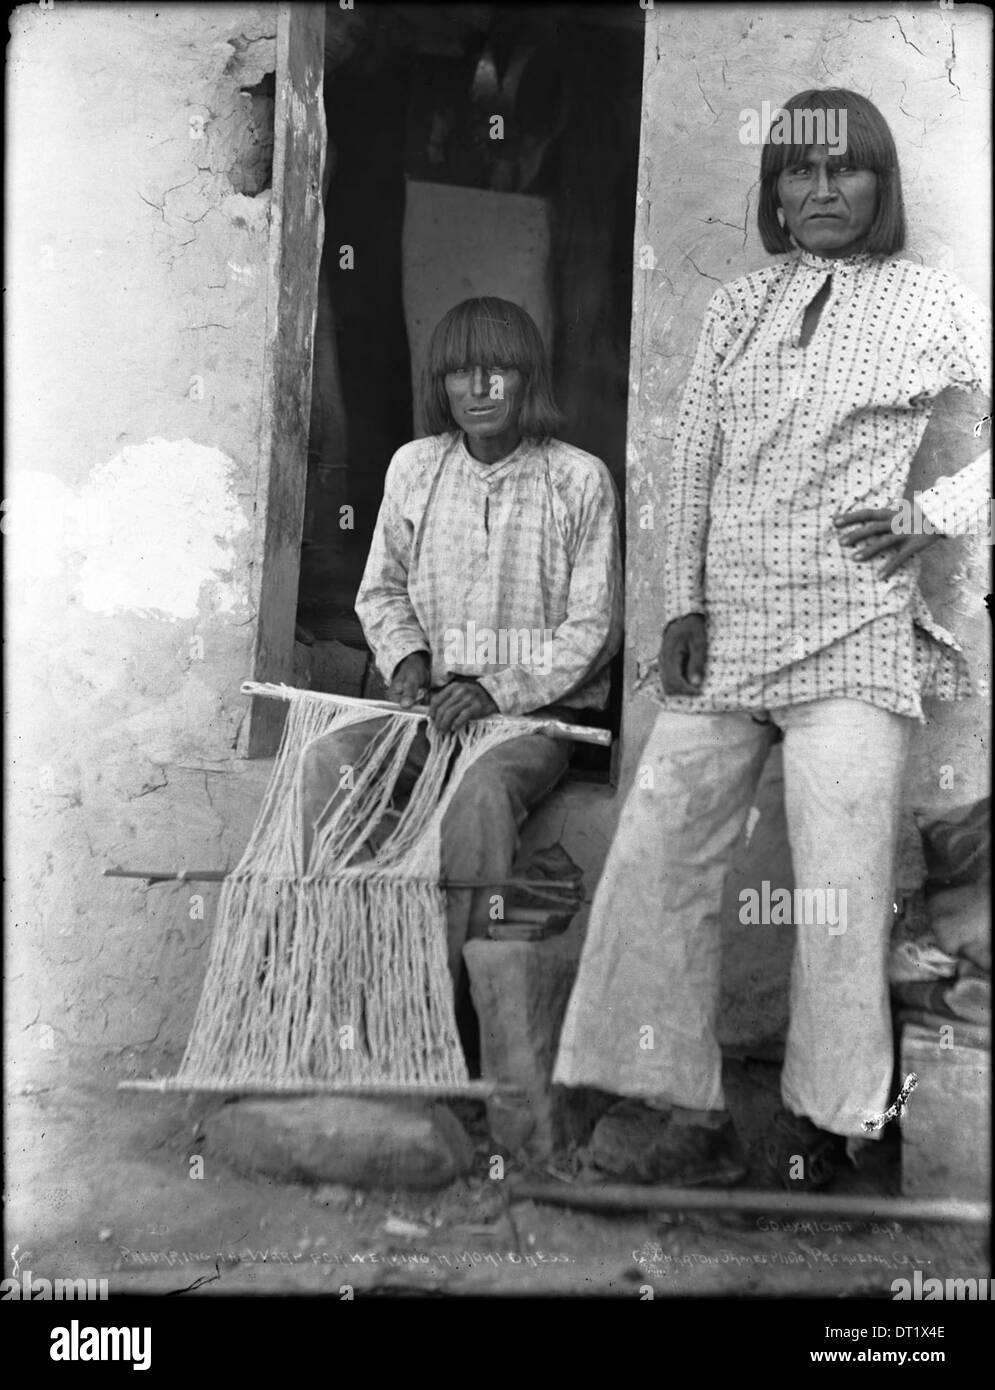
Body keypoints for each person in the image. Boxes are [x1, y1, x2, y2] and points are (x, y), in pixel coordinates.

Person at [553, 89, 990, 1187]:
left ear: (880, 187)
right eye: (798, 172)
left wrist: (928, 517)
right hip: (727, 634)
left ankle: (828, 1122)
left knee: (834, 893)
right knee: (656, 859)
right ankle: (676, 1109)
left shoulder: (928, 300)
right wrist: (680, 604)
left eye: (846, 171)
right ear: (772, 190)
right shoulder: (737, 307)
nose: (821, 189)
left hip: (851, 637)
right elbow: (691, 456)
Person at [300, 296, 623, 1071]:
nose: (476, 388)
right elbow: (379, 592)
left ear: (527, 379)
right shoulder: (415, 467)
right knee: (328, 764)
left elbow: (593, 627)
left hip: (533, 721)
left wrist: (495, 690)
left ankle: (438, 1025)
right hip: (426, 711)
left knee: (478, 794)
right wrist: (407, 661)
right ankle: (346, 993)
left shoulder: (577, 478)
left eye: (497, 369)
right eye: (456, 374)